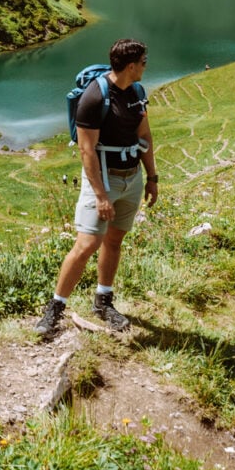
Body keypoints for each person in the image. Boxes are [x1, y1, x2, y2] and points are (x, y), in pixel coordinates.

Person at [35, 38, 158, 337]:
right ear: (130, 65)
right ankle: (55, 308)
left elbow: (145, 135)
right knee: (86, 244)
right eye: (143, 61)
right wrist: (101, 195)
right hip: (104, 181)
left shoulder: (137, 92)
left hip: (131, 179)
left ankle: (103, 302)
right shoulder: (94, 97)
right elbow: (87, 151)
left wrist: (152, 177)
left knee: (114, 241)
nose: (145, 66)